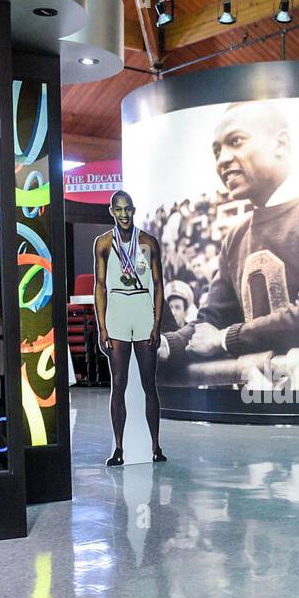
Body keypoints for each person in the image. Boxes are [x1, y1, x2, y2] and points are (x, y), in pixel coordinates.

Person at [162, 101, 299, 366]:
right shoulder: (236, 235)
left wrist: (224, 339)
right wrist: (165, 345)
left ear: (281, 144)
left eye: (236, 141)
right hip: (265, 399)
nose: (222, 159)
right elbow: (210, 322)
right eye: (217, 151)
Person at [93, 190, 167, 465]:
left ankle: (156, 447)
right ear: (112, 211)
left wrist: (156, 325)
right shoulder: (103, 244)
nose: (124, 214)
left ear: (133, 210)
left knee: (150, 383)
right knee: (119, 384)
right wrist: (102, 327)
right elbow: (99, 286)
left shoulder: (148, 243)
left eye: (128, 209)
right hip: (117, 313)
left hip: (141, 310)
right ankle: (119, 449)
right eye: (119, 209)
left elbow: (159, 285)